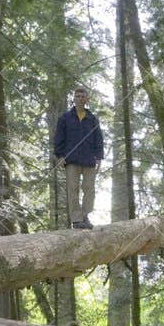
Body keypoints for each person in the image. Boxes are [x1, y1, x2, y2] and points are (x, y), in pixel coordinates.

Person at [53, 85, 102, 229]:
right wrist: (60, 155)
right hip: (71, 159)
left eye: (82, 96)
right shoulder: (65, 118)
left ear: (87, 99)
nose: (80, 99)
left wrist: (99, 157)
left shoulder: (92, 119)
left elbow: (99, 139)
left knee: (89, 189)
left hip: (89, 159)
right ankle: (76, 220)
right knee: (72, 189)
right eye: (77, 96)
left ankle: (85, 216)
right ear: (74, 99)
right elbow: (59, 138)